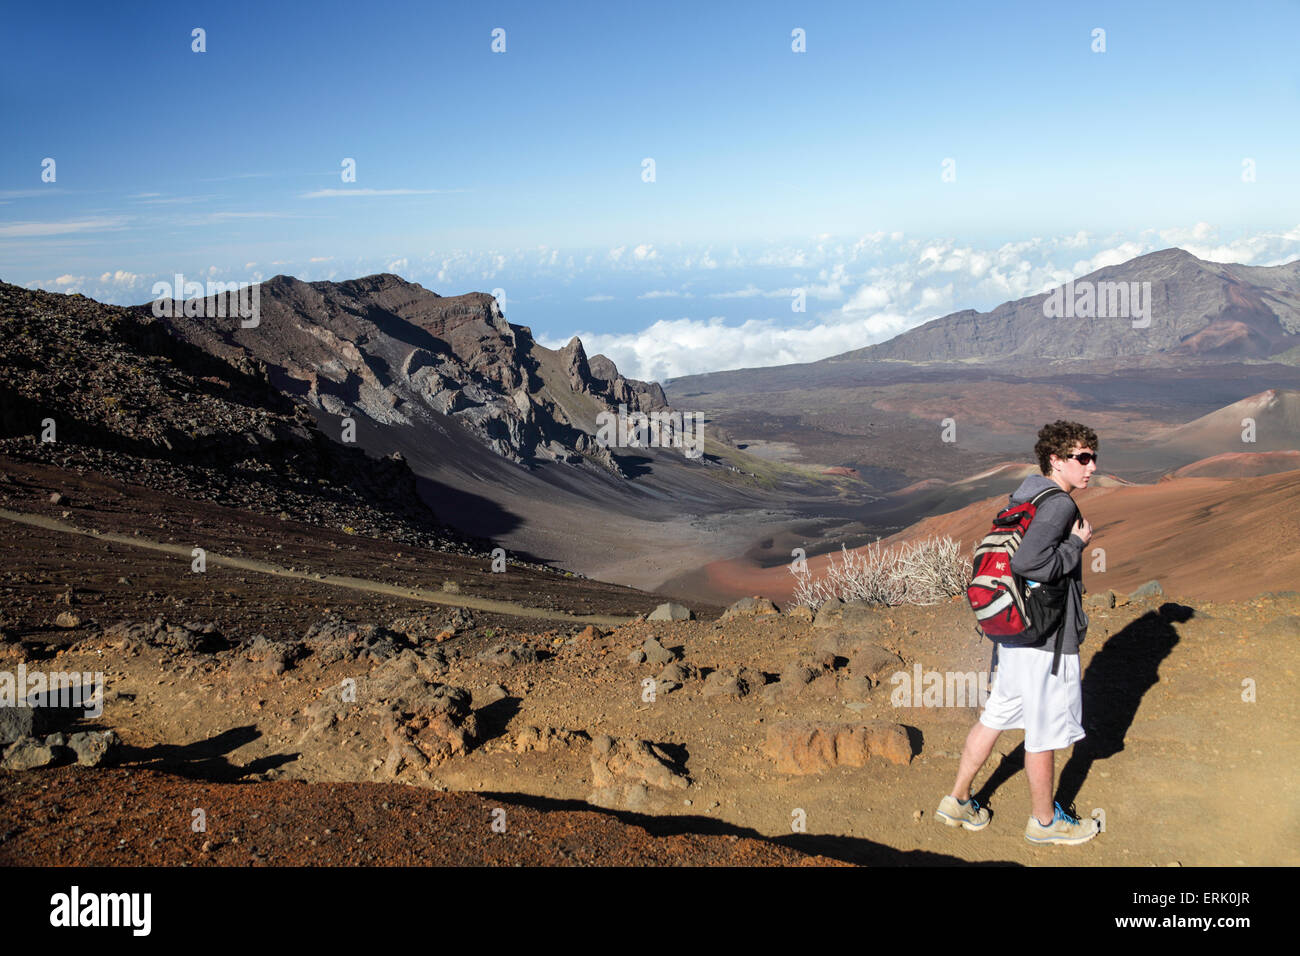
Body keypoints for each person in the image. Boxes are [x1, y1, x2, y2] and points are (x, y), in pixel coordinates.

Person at [936, 420, 1101, 845]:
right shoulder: (1060, 505)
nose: (1091, 467)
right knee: (1043, 732)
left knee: (994, 718)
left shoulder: (1025, 494)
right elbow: (1029, 563)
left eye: (1093, 458)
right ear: (1055, 460)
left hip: (1012, 632)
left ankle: (957, 800)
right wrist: (1075, 546)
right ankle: (1046, 823)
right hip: (1044, 638)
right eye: (1081, 458)